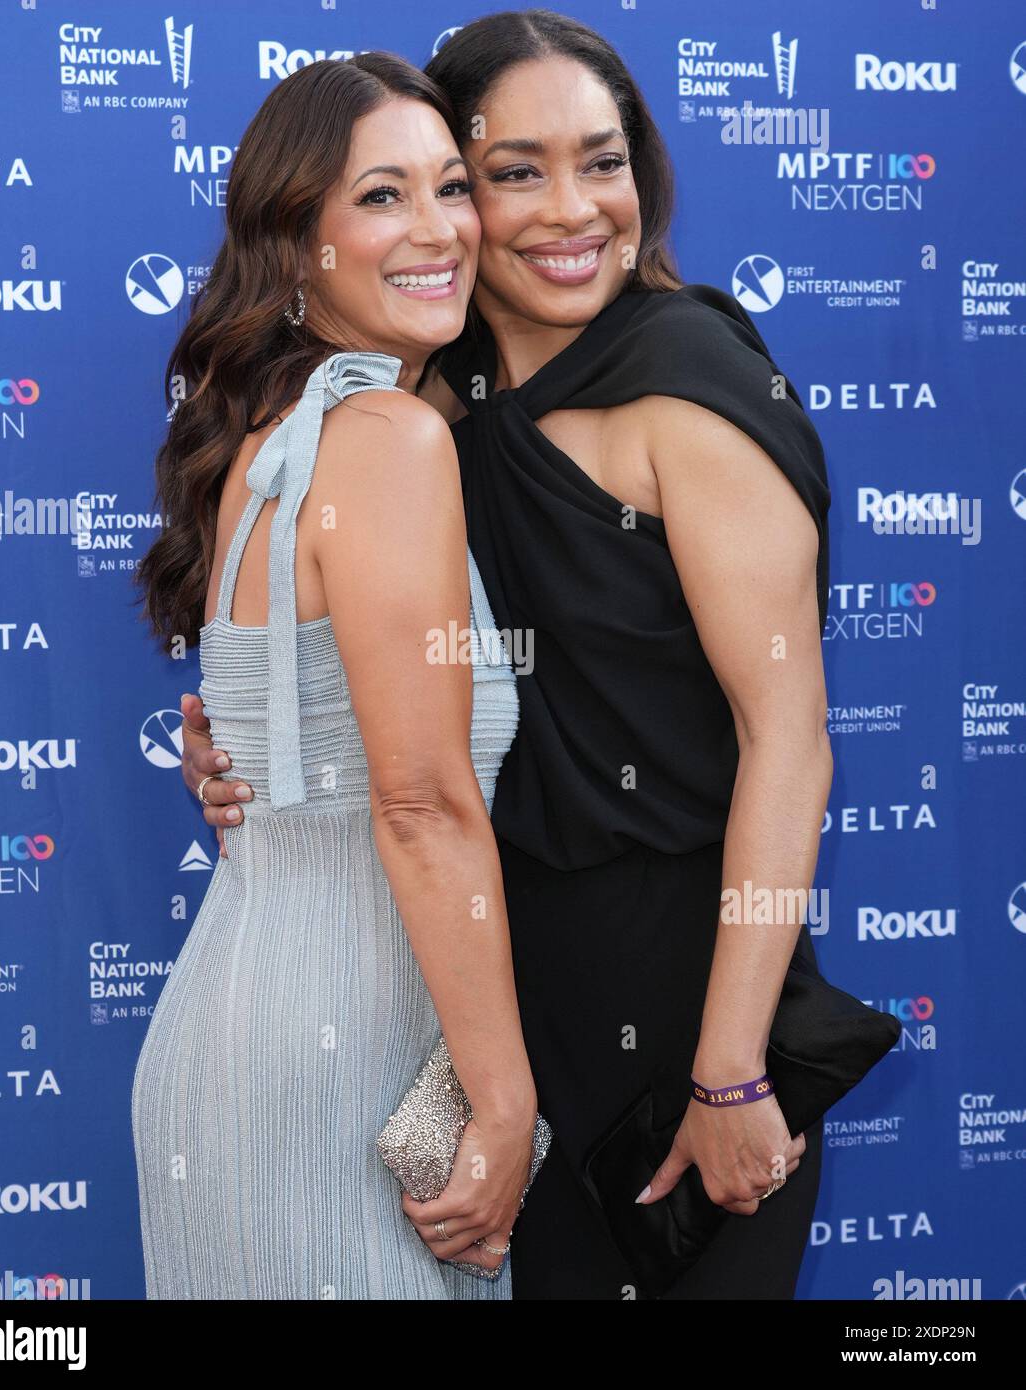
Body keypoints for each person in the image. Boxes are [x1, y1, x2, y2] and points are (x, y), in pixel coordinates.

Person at [181, 10, 836, 1299]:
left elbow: (789, 740)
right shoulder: (415, 405)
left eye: (603, 162)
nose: (571, 209)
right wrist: (265, 752)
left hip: (687, 995)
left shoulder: (688, 384)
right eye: (513, 171)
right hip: (485, 1011)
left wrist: (728, 1066)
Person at [131, 51, 538, 1300]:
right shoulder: (389, 439)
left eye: (451, 187)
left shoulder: (271, 441)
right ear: (296, 244)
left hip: (247, 1034)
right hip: (347, 1062)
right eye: (380, 196)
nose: (439, 228)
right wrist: (505, 1097)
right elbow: (418, 804)